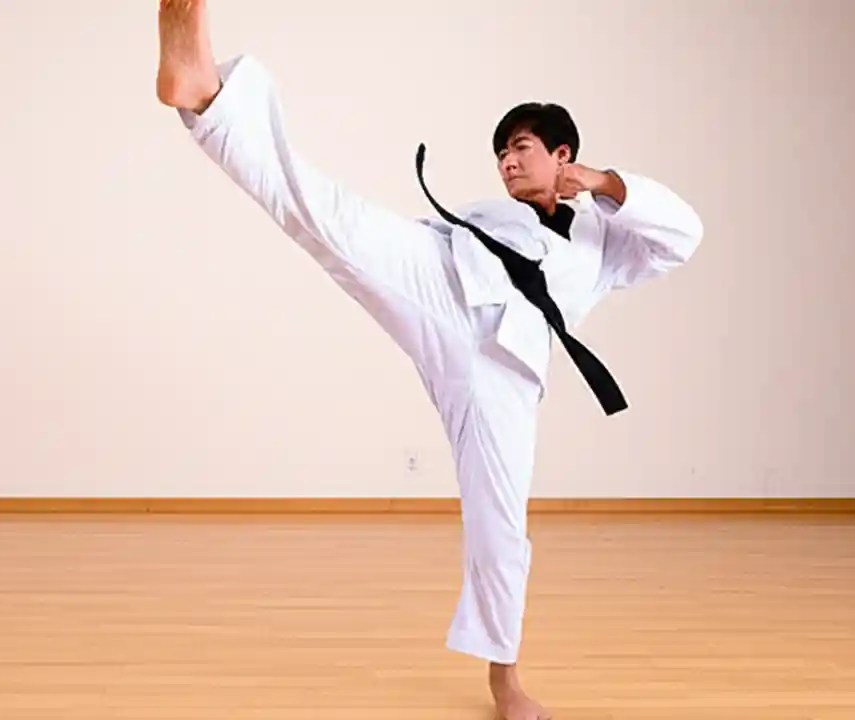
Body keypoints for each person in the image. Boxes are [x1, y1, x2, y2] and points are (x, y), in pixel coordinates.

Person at [154, 1, 704, 718]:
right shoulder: (488, 215)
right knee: (326, 215)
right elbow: (413, 236)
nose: (508, 161)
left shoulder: (606, 243)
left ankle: (504, 679)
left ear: (563, 154)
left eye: (522, 147)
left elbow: (683, 236)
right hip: (440, 280)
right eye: (502, 152)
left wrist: (605, 184)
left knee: (500, 524)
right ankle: (207, 98)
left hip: (501, 368)